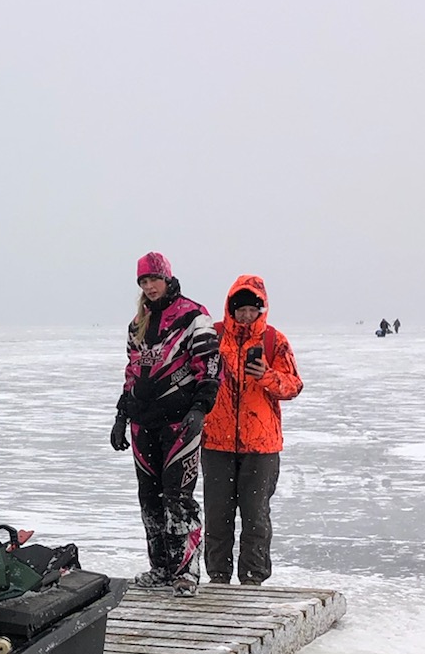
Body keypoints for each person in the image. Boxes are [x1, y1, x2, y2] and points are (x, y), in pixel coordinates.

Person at [110, 252, 219, 593]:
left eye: (153, 279)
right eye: (143, 282)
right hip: (143, 423)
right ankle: (160, 568)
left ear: (167, 279)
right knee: (150, 499)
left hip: (179, 423)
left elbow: (211, 365)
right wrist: (120, 415)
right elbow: (132, 373)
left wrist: (200, 408)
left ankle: (186, 571)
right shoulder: (137, 323)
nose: (149, 286)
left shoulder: (193, 316)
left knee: (178, 498)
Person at [202, 276, 302, 587]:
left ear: (261, 309)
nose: (246, 316)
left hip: (261, 446)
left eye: (251, 309)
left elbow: (293, 385)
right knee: (218, 516)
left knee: (255, 516)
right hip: (216, 443)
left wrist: (267, 376)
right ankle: (218, 576)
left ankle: (252, 578)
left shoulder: (274, 340)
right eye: (240, 309)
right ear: (230, 309)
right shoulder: (213, 337)